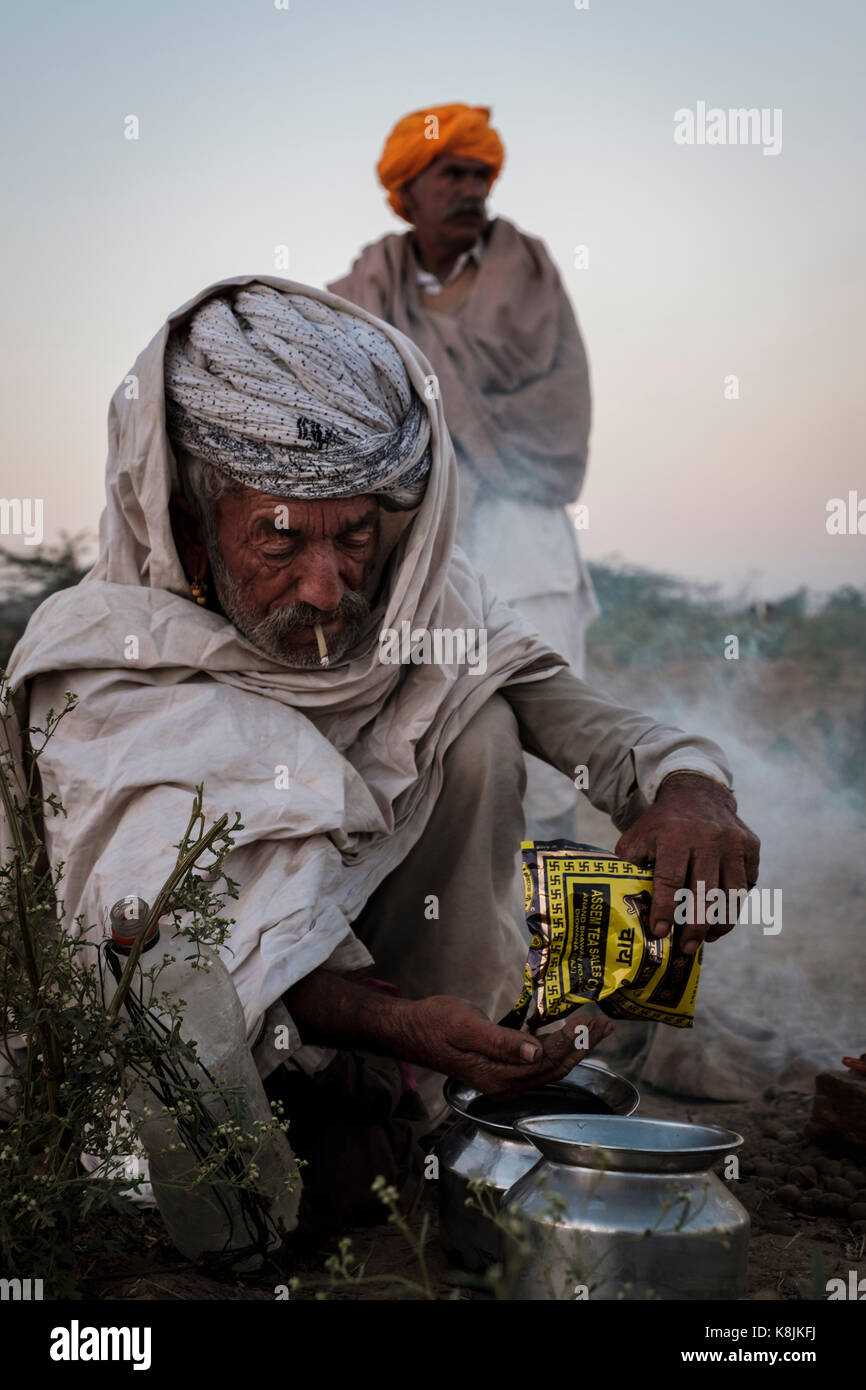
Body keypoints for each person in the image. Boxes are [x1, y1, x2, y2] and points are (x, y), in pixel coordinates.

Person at [3, 277, 759, 1230]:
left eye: (356, 536)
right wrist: (395, 1026)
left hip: (424, 1023)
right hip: (231, 1050)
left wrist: (688, 786)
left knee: (480, 724)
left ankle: (433, 1105)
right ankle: (309, 1146)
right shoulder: (102, 667)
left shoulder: (422, 608)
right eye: (278, 543)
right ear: (192, 532)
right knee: (176, 1024)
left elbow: (579, 719)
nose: (329, 590)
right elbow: (162, 954)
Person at [329, 102, 596, 840]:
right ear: (408, 189)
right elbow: (340, 403)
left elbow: (560, 408)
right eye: (451, 173)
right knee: (416, 733)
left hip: (521, 528)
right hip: (411, 530)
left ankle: (556, 925)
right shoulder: (363, 289)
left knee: (548, 732)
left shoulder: (529, 272)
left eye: (481, 173)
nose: (472, 188)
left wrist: (460, 431)